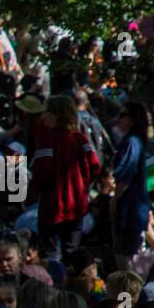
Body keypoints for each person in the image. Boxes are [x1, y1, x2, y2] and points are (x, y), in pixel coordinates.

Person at [32, 94, 102, 261]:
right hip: (76, 208)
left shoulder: (47, 140)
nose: (44, 116)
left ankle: (54, 285)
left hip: (51, 208)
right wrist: (82, 186)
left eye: (47, 112)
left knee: (51, 255)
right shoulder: (81, 139)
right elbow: (95, 166)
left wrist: (35, 188)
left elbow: (43, 172)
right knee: (72, 253)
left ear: (56, 114)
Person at [109, 102, 151, 272]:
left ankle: (127, 296)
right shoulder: (133, 141)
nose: (118, 119)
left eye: (123, 115)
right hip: (133, 209)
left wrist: (114, 201)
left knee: (126, 261)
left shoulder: (132, 143)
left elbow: (125, 178)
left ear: (133, 119)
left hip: (130, 210)